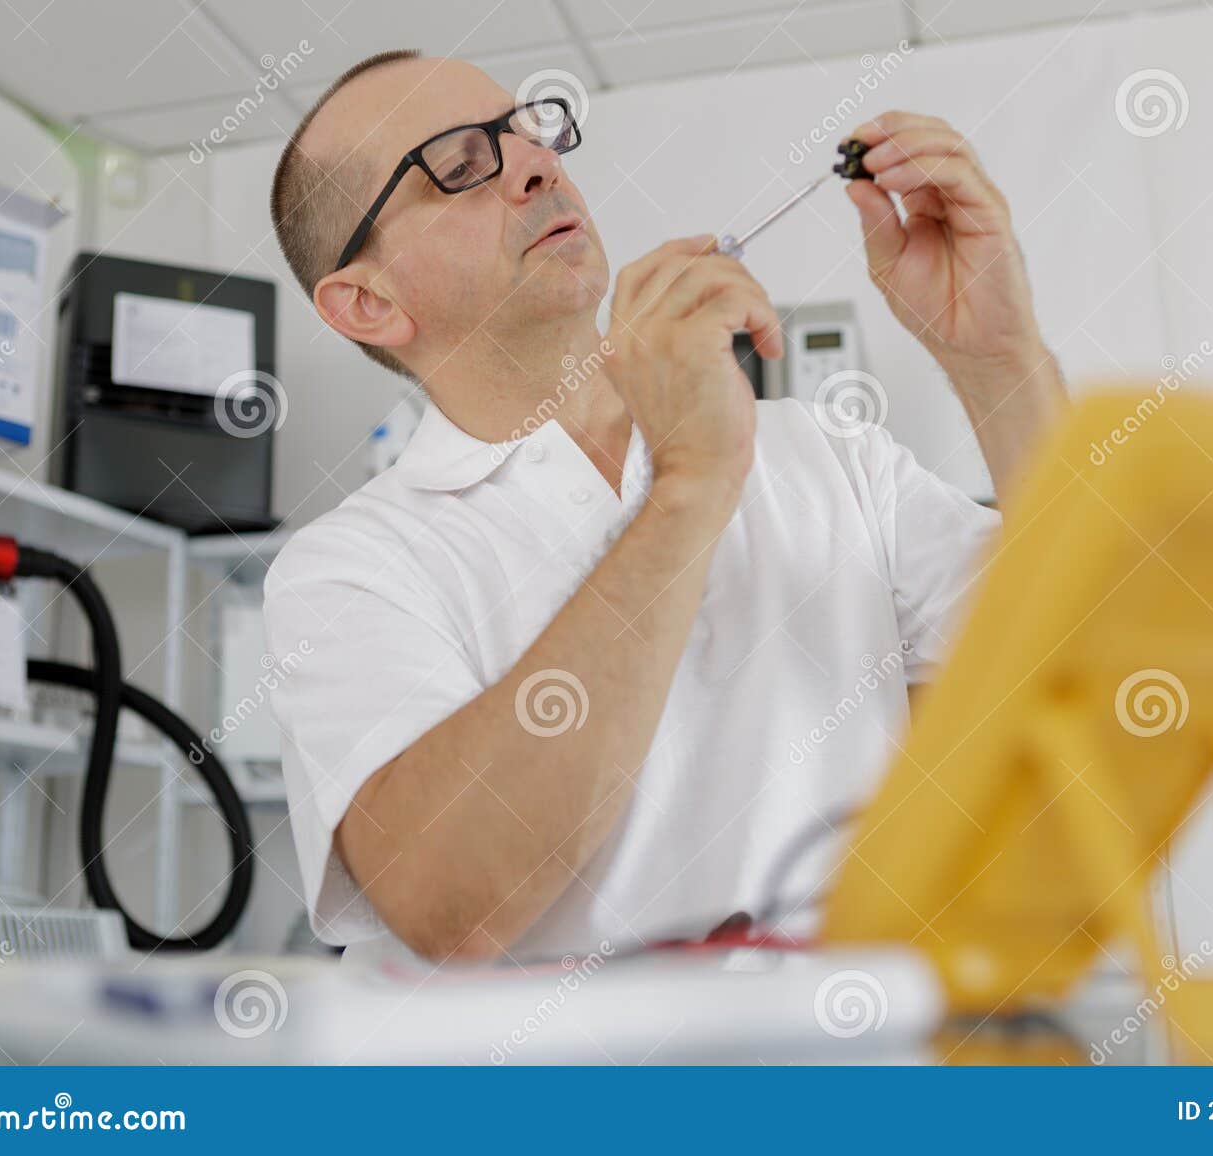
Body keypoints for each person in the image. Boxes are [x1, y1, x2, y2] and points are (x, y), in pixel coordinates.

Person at [263, 50, 1066, 967]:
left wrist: (999, 358)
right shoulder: (349, 568)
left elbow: (1092, 653)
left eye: (528, 130)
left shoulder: (825, 452)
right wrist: (690, 483)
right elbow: (448, 902)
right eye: (458, 165)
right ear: (367, 303)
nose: (536, 162)